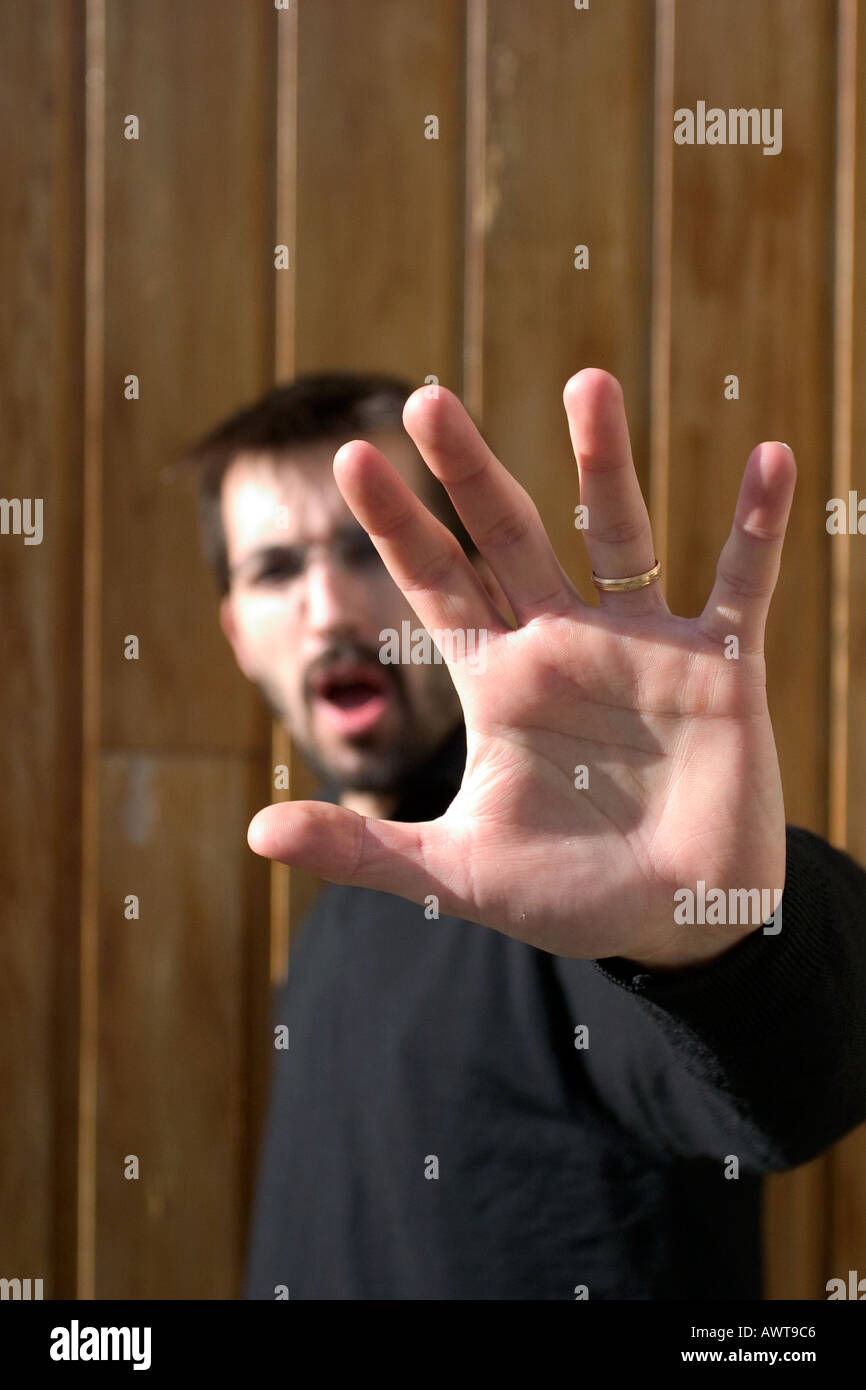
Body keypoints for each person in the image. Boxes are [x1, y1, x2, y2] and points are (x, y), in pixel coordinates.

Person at [187, 368, 866, 1300]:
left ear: (460, 578)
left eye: (362, 552)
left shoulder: (563, 885)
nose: (332, 611)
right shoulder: (335, 912)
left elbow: (800, 1090)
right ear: (235, 631)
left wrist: (721, 936)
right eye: (275, 569)